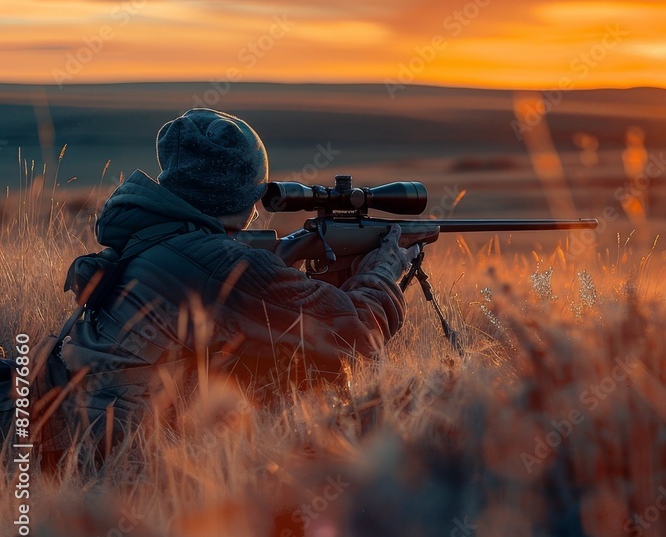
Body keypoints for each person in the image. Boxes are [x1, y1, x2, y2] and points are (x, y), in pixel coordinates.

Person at [41, 108, 416, 465]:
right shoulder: (219, 263)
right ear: (244, 199)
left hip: (68, 423)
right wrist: (383, 272)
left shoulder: (156, 237)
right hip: (107, 455)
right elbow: (355, 341)